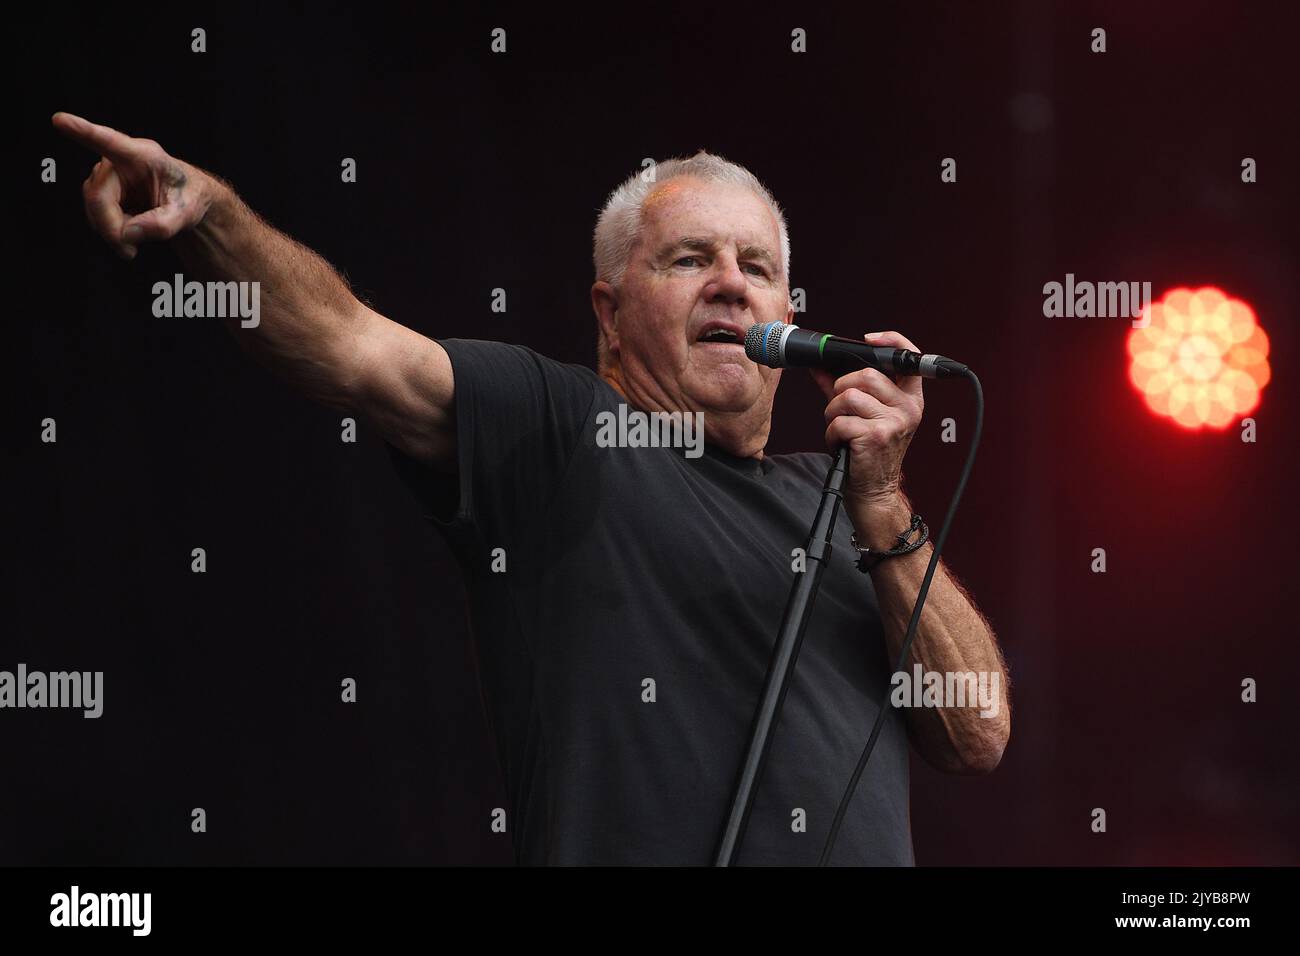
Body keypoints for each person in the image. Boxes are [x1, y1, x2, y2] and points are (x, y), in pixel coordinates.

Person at [53, 111, 1011, 865]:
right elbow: (348, 344)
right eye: (689, 259)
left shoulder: (853, 506)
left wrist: (883, 505)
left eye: (756, 267)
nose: (731, 284)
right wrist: (207, 211)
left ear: (789, 317)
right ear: (609, 310)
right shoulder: (563, 432)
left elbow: (977, 738)